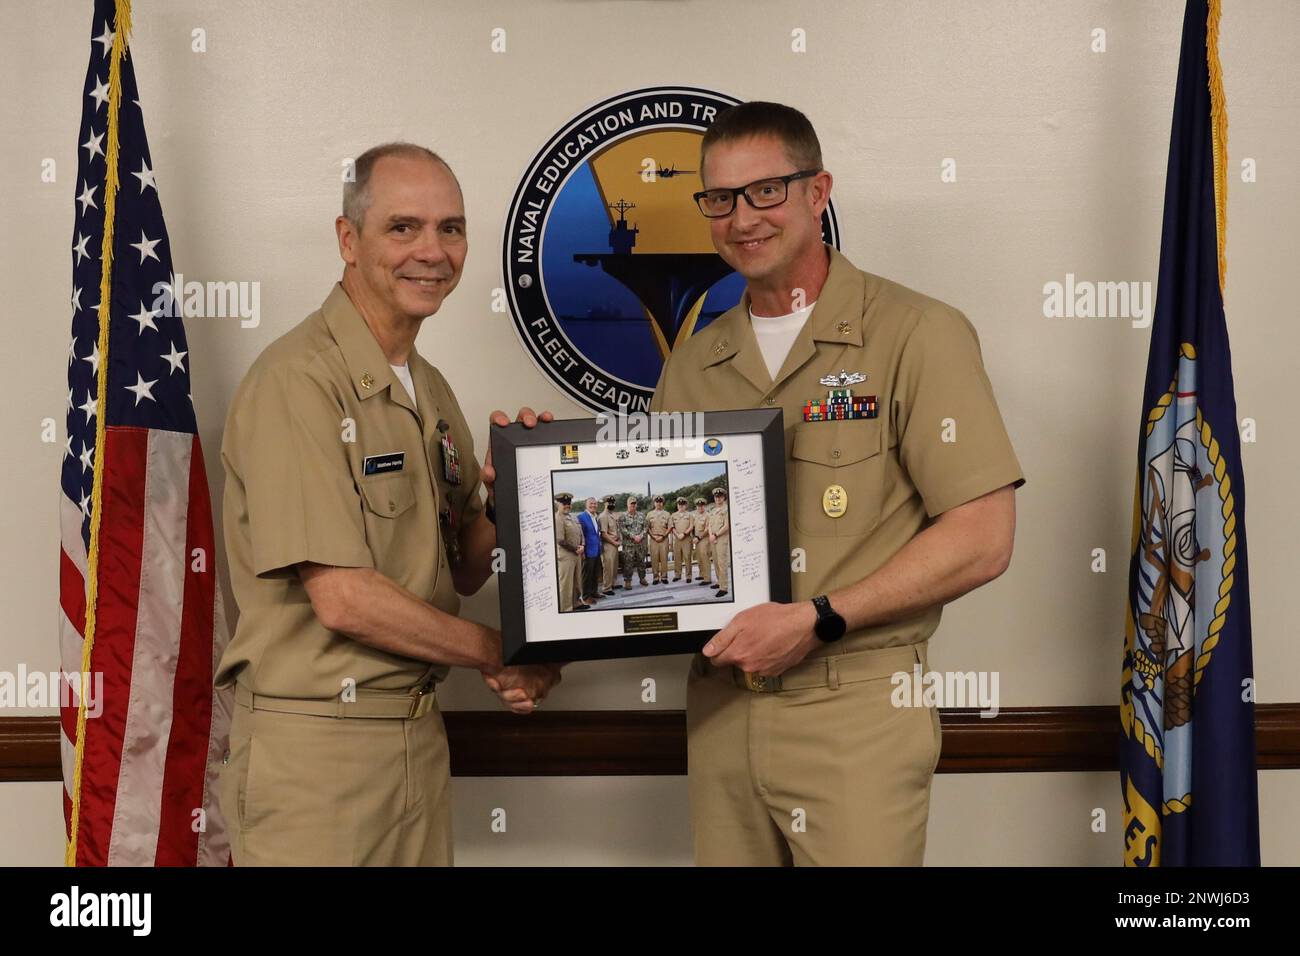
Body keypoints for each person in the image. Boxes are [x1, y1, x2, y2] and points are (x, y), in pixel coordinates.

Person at [650, 102, 1023, 866]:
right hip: (720, 709)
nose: (741, 218)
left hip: (855, 708)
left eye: (766, 191)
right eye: (719, 198)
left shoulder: (918, 332)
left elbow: (983, 539)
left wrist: (819, 618)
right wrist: (531, 481)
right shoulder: (695, 362)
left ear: (818, 192)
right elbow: (657, 537)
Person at [216, 142, 560, 866]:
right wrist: (500, 655)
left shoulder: (425, 386)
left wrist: (514, 492)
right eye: (403, 228)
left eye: (451, 229)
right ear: (349, 239)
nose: (432, 252)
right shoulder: (299, 382)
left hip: (416, 741)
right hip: (318, 756)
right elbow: (343, 598)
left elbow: (464, 569)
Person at [553, 492, 588, 611]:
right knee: (566, 584)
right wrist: (576, 549)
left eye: (568, 503)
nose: (567, 505)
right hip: (566, 556)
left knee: (577, 582)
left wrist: (583, 545)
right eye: (564, 503)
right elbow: (560, 540)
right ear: (558, 504)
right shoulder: (557, 518)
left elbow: (581, 533)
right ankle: (566, 608)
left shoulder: (573, 517)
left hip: (577, 554)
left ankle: (577, 602)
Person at [577, 497, 603, 605]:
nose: (593, 505)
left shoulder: (595, 517)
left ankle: (594, 592)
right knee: (586, 575)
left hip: (596, 550)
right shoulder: (581, 517)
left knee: (594, 573)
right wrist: (582, 550)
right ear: (586, 505)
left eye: (595, 504)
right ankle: (586, 596)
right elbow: (579, 534)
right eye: (591, 504)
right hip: (587, 551)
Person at [618, 496, 649, 588]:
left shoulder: (642, 515)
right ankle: (628, 581)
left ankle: (642, 578)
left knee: (641, 562)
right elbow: (622, 529)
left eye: (634, 504)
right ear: (627, 504)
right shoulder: (623, 517)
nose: (633, 506)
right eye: (631, 504)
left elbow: (646, 527)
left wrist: (641, 535)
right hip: (629, 545)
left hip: (640, 544)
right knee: (628, 563)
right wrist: (633, 536)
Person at [706, 487, 731, 598]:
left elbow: (727, 525)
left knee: (722, 562)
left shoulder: (726, 509)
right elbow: (710, 525)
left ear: (724, 497)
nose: (717, 498)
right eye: (716, 497)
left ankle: (724, 587)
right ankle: (719, 582)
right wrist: (711, 535)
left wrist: (716, 535)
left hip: (721, 539)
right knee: (715, 562)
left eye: (720, 496)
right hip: (713, 538)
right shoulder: (712, 511)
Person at [644, 495, 671, 584]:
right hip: (653, 539)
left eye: (660, 502)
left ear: (662, 503)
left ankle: (664, 577)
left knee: (664, 559)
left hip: (664, 539)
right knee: (654, 559)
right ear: (654, 503)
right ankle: (655, 577)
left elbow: (670, 527)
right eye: (657, 502)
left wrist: (663, 536)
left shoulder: (667, 514)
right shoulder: (649, 514)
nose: (658, 503)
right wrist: (653, 536)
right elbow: (647, 528)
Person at [598, 495, 621, 594]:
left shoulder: (612, 515)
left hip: (614, 545)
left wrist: (618, 541)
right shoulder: (603, 516)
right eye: (609, 503)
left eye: (613, 503)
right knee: (608, 567)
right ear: (605, 503)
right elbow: (604, 534)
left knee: (614, 566)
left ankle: (613, 584)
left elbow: (615, 530)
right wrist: (615, 542)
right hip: (608, 545)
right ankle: (606, 588)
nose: (611, 504)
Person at [670, 496, 695, 583]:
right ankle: (677, 575)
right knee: (677, 558)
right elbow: (672, 527)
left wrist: (684, 534)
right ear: (677, 505)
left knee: (687, 557)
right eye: (679, 504)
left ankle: (688, 576)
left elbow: (691, 526)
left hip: (687, 539)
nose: (681, 506)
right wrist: (677, 535)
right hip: (677, 539)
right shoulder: (673, 515)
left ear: (685, 505)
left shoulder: (690, 515)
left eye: (683, 504)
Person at [692, 497, 712, 585]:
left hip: (704, 539)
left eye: (702, 506)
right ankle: (702, 574)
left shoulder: (707, 515)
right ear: (696, 507)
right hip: (697, 539)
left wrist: (699, 537)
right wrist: (694, 537)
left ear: (705, 506)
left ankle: (707, 579)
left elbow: (707, 529)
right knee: (699, 558)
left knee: (705, 558)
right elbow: (694, 527)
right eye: (698, 506)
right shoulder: (695, 515)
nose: (700, 507)